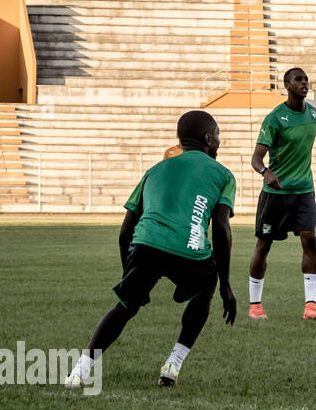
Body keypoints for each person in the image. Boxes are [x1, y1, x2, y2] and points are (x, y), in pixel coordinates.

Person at [64, 111, 237, 390]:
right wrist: (226, 285)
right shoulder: (223, 174)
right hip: (189, 251)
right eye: (217, 135)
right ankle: (173, 364)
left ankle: (79, 372)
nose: (219, 140)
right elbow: (221, 226)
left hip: (145, 246)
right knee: (207, 283)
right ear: (208, 138)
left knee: (125, 306)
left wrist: (128, 271)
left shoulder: (154, 170)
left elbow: (125, 232)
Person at [248, 67, 316, 321]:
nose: (304, 83)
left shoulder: (313, 113)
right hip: (276, 193)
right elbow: (256, 158)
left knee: (309, 240)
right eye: (298, 80)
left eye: (306, 79)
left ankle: (311, 305)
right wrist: (266, 172)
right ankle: (255, 306)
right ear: (286, 85)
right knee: (264, 244)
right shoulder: (275, 119)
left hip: (304, 190)